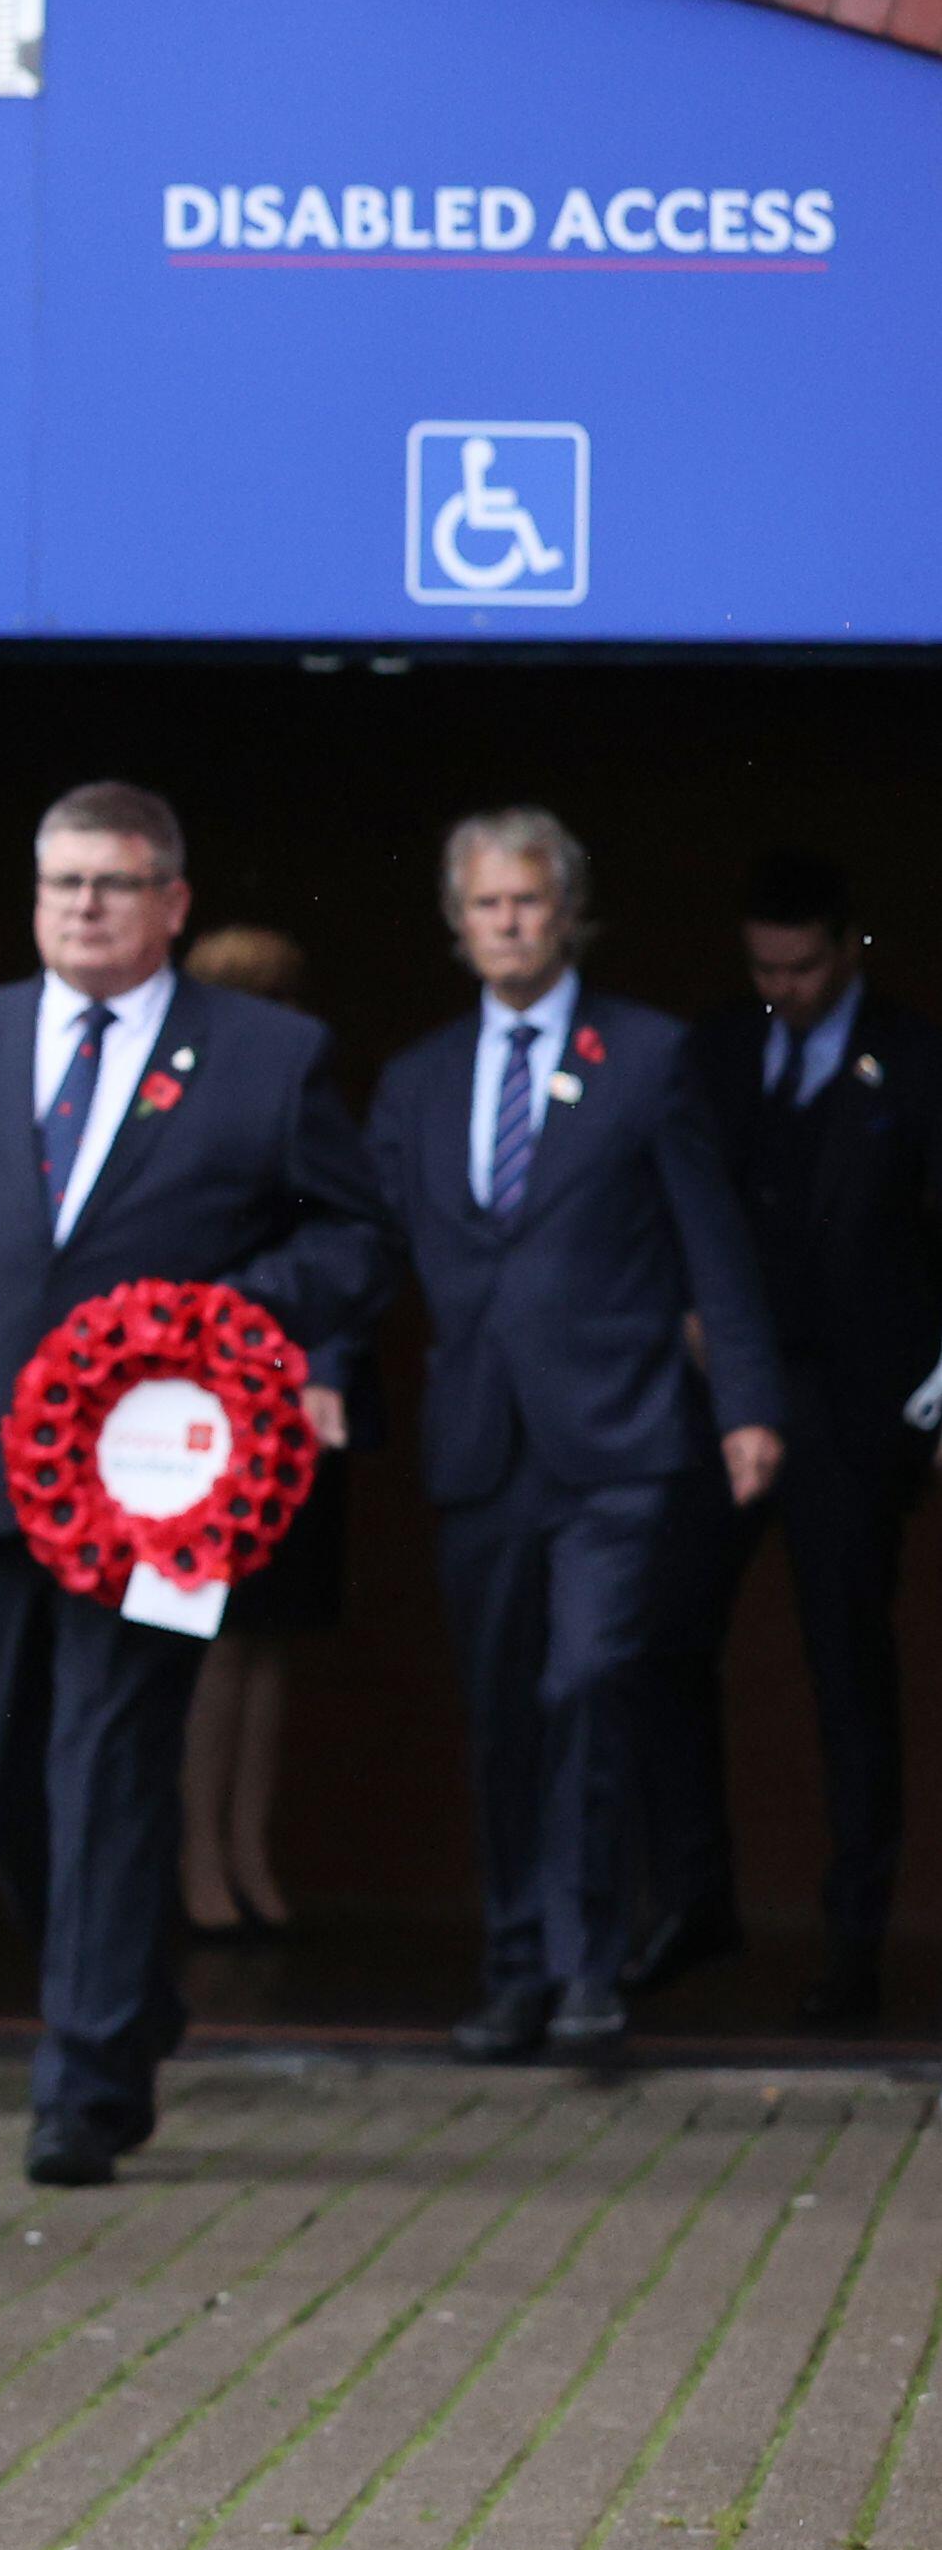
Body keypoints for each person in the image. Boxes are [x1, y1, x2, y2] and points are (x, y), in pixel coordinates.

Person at [0, 785, 383, 2186]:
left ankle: (85, 2069)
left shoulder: (269, 1054)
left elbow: (352, 1240)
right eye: (59, 882)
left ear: (171, 900)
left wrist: (221, 1321)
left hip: (168, 1490)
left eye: (112, 883)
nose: (81, 906)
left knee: (114, 1756)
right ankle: (121, 1976)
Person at [365, 809, 781, 2062]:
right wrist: (311, 1362)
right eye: (485, 904)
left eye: (528, 902)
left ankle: (589, 1963)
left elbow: (713, 1235)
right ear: (457, 922)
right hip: (481, 1442)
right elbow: (368, 1249)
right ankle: (513, 1969)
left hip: (619, 1436)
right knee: (503, 1710)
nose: (507, 922)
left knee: (588, 1680)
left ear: (568, 911)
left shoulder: (648, 1054)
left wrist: (748, 1401)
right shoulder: (418, 1078)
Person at [638, 847, 942, 2028]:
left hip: (856, 1410)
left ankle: (851, 1939)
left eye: (804, 965)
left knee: (845, 1669)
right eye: (764, 966)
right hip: (724, 1397)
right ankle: (696, 1893)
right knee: (661, 1631)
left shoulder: (915, 1060)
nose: (785, 987)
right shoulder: (714, 1049)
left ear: (848, 947)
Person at [170, 925, 360, 1944]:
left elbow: (340, 1251)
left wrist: (325, 1370)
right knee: (209, 1640)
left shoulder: (301, 1106)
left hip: (289, 1405)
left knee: (269, 1637)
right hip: (191, 1410)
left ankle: (247, 1848)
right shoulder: (177, 1119)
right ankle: (197, 1852)